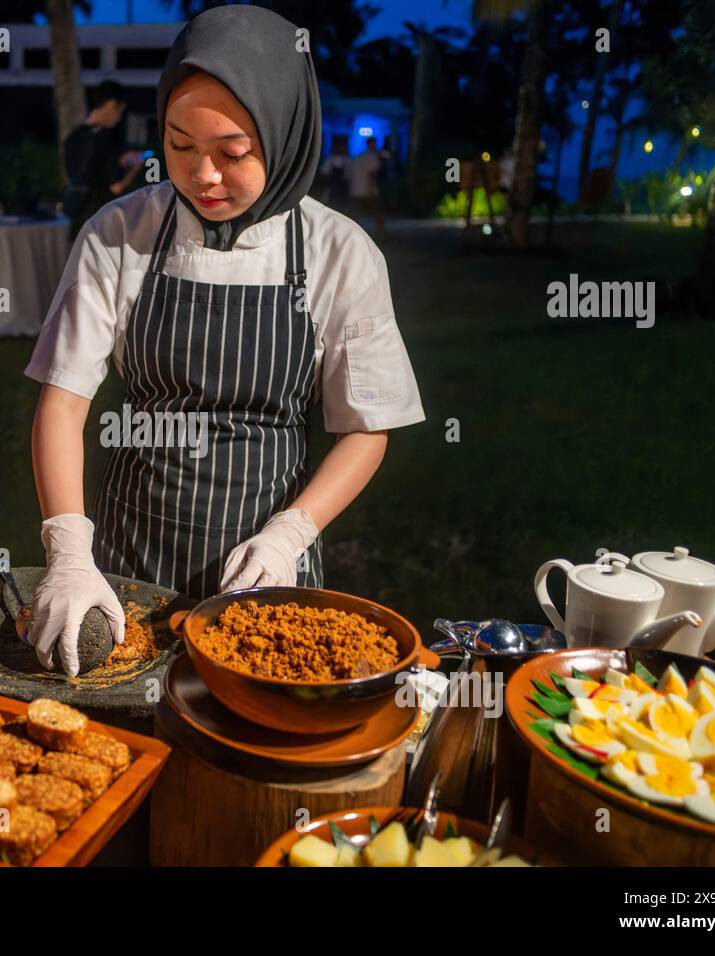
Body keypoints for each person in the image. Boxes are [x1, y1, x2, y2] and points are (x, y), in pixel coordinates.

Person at [22, 7, 425, 675]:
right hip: (129, 558)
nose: (203, 175)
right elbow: (62, 402)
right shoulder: (119, 234)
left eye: (233, 153)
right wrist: (67, 551)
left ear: (286, 137)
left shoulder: (339, 253)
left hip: (267, 568)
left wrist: (291, 534)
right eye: (180, 146)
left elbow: (367, 428)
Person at [62, 80, 143, 240]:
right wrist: (135, 169)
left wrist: (119, 161)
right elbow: (115, 188)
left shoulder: (74, 136)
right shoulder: (104, 138)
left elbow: (84, 171)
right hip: (100, 222)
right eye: (120, 111)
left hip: (77, 221)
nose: (119, 118)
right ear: (111, 105)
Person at [350, 135, 386, 238]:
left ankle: (353, 234)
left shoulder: (358, 157)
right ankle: (381, 233)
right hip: (367, 190)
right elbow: (372, 175)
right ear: (371, 144)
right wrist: (371, 190)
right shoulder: (371, 157)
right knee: (377, 212)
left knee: (356, 213)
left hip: (355, 189)